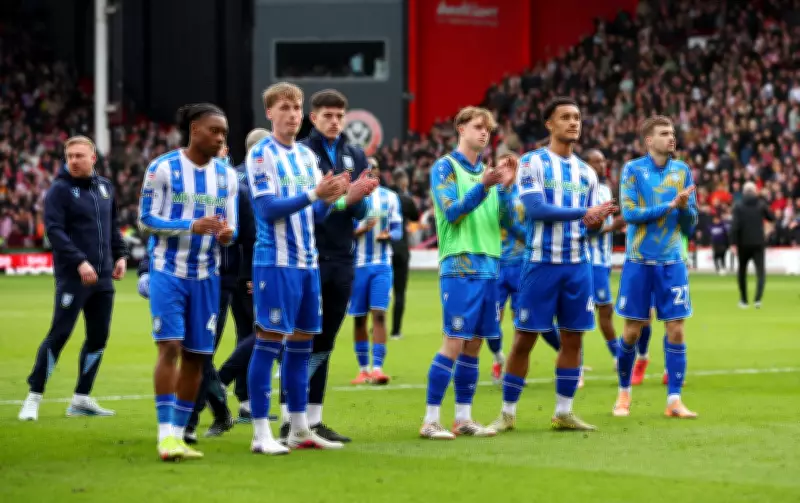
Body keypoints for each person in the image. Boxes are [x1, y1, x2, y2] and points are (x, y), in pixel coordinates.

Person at [245, 82, 375, 455]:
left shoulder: (305, 159)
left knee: (302, 346)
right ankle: (260, 433)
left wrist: (335, 198)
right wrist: (315, 194)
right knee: (269, 344)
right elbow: (268, 209)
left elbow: (314, 214)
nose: (292, 114)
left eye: (297, 107)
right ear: (270, 113)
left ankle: (300, 428)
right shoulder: (261, 155)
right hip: (276, 262)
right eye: (284, 107)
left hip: (307, 263)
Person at [488, 97, 616, 434]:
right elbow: (535, 208)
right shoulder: (533, 162)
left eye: (577, 117)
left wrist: (600, 222)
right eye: (565, 117)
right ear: (549, 124)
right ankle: (507, 413)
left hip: (578, 266)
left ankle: (564, 412)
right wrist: (583, 214)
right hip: (540, 264)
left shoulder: (587, 173)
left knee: (573, 341)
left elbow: (594, 224)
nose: (574, 123)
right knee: (524, 339)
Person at [138, 103, 238, 461]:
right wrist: (189, 226)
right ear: (195, 129)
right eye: (215, 131)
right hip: (168, 271)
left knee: (197, 356)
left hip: (207, 276)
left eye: (224, 132)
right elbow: (145, 220)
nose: (221, 138)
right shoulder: (162, 168)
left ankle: (179, 434)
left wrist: (227, 234)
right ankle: (165, 434)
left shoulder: (227, 176)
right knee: (170, 348)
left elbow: (232, 227)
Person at [419, 106, 518, 440]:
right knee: (454, 341)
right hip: (460, 264)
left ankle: (463, 418)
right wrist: (485, 186)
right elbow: (453, 211)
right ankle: (431, 419)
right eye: (478, 126)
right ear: (460, 128)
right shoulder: (445, 167)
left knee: (475, 345)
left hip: (490, 266)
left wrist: (505, 187)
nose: (484, 133)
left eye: (488, 129)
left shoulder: (489, 175)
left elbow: (506, 222)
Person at [18, 136, 129, 422]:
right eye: (69, 156)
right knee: (60, 334)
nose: (74, 161)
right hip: (73, 278)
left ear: (93, 157)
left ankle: (81, 398)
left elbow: (112, 226)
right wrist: (79, 261)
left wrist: (120, 255)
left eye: (80, 155)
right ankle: (33, 397)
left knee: (98, 337)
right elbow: (54, 232)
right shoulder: (59, 190)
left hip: (103, 278)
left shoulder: (105, 187)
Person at [612, 115, 698, 419]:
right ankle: (624, 392)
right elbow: (631, 214)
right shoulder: (633, 170)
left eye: (673, 133)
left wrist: (686, 209)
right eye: (664, 133)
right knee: (632, 331)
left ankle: (674, 399)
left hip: (673, 261)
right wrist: (670, 206)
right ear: (649, 141)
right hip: (639, 262)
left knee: (676, 330)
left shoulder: (682, 171)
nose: (671, 138)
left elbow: (691, 223)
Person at [349, 180, 403, 385]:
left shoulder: (390, 197)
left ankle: (378, 368)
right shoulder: (353, 196)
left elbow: (398, 230)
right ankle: (363, 369)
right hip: (358, 265)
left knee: (379, 314)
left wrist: (388, 234)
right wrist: (362, 230)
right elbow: (345, 232)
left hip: (382, 265)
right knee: (359, 319)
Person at [586, 149, 624, 368]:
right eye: (596, 161)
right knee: (601, 309)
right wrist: (613, 227)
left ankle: (616, 356)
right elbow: (585, 229)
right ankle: (617, 356)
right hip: (591, 260)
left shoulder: (605, 188)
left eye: (603, 161)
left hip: (604, 260)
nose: (602, 165)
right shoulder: (584, 189)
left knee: (603, 310)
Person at [731, 181, 774, 308]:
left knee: (742, 272)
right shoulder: (761, 204)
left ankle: (744, 300)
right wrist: (764, 198)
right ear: (755, 191)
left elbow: (735, 226)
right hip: (758, 243)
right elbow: (771, 217)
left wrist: (733, 243)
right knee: (760, 272)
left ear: (743, 192)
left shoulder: (738, 206)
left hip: (743, 244)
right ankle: (757, 300)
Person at [389, 167, 420, 340]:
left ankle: (376, 326)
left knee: (380, 290)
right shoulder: (405, 199)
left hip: (384, 248)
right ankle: (395, 331)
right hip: (400, 249)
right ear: (403, 182)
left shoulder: (384, 197)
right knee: (399, 292)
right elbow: (415, 216)